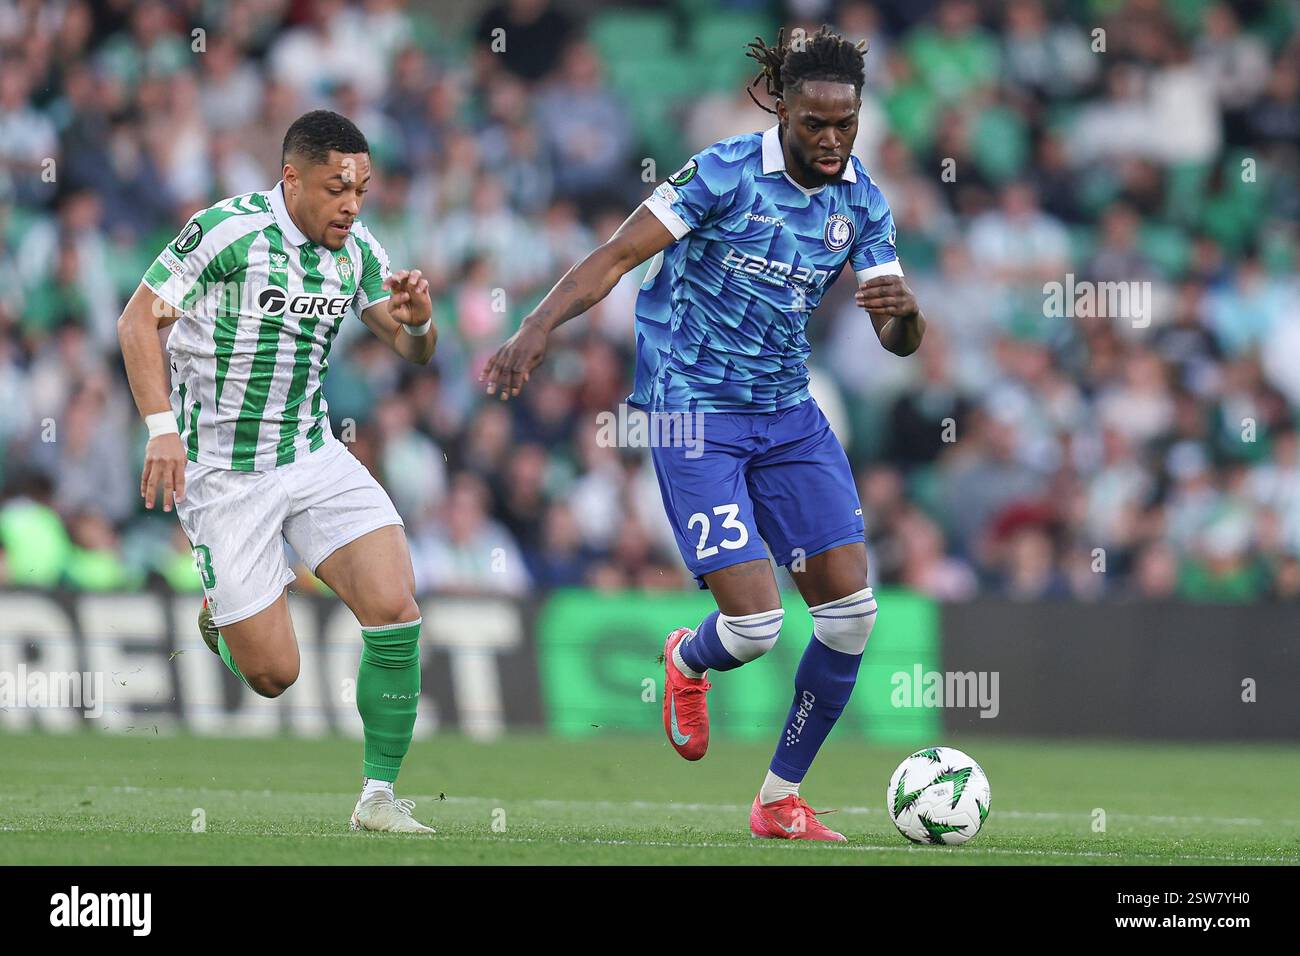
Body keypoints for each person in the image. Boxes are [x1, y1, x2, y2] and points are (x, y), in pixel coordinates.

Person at [481, 27, 925, 840]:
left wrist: (907, 323)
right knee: (756, 628)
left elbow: (897, 334)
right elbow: (617, 255)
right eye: (816, 123)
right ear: (781, 107)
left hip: (789, 416)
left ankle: (777, 800)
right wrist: (538, 326)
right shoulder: (721, 172)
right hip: (695, 414)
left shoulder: (862, 200)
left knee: (852, 616)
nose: (832, 140)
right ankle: (689, 658)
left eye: (847, 124)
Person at [117, 110, 439, 834]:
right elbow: (138, 319)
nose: (352, 204)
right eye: (336, 188)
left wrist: (418, 320)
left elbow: (412, 349)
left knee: (394, 608)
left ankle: (378, 798)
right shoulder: (229, 233)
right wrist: (161, 430)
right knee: (274, 676)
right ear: (291, 179)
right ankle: (222, 621)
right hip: (225, 477)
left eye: (361, 188)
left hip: (312, 454)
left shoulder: (354, 251)